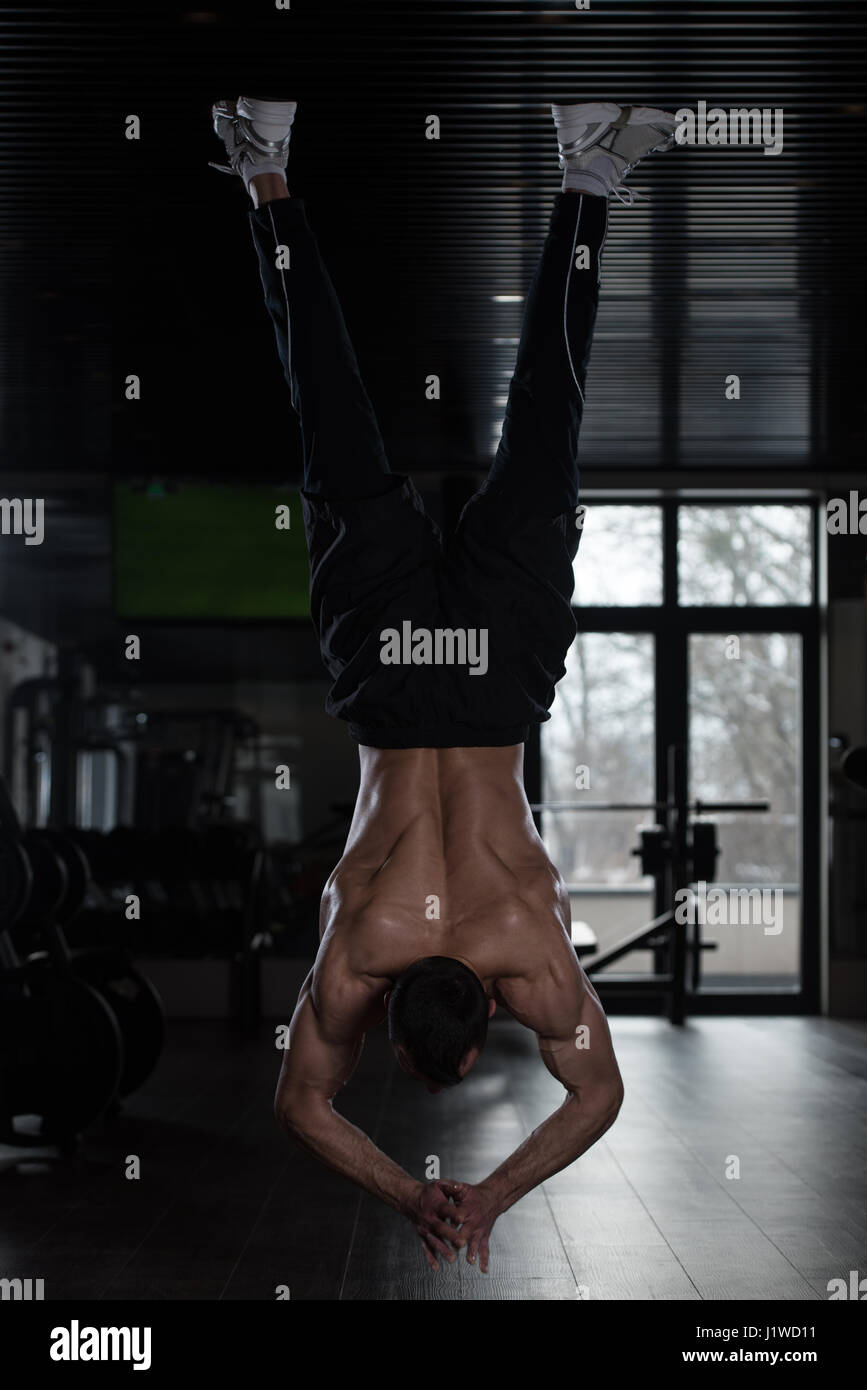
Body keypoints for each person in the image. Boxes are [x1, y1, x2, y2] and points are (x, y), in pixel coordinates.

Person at [211, 98, 677, 1273]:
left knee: (548, 431)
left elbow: (597, 1098)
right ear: (401, 1025)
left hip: (497, 682)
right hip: (388, 673)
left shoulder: (530, 951)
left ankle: (593, 166)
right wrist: (428, 1194)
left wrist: (483, 1196)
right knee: (332, 417)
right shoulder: (355, 955)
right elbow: (304, 1109)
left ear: (485, 1025)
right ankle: (262, 161)